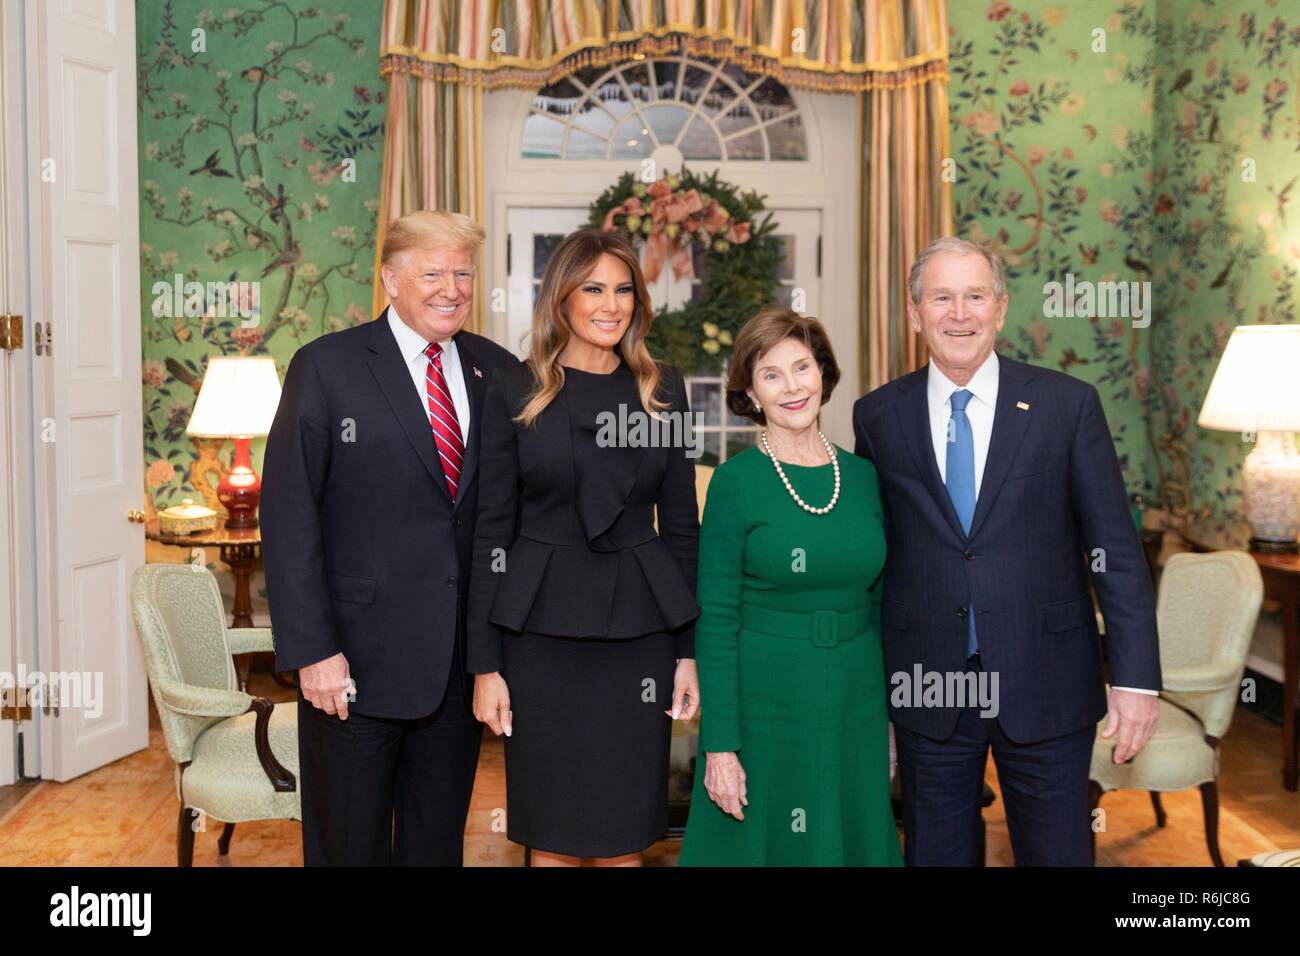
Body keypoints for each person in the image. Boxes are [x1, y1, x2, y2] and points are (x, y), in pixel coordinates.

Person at [852, 236, 1161, 866]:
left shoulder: (1067, 407)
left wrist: (1135, 680)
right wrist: (871, 694)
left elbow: (1115, 550)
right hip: (928, 687)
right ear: (915, 313)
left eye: (974, 296)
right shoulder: (878, 416)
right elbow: (872, 560)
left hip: (1047, 681)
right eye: (941, 297)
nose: (958, 313)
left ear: (1000, 307)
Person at [261, 209, 518, 865]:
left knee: (436, 850)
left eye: (463, 273)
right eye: (432, 271)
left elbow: (508, 511)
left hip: (456, 671)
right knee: (350, 848)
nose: (451, 288)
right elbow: (289, 518)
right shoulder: (325, 367)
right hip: (351, 668)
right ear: (390, 278)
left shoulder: (498, 370)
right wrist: (313, 651)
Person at [467, 228, 701, 866]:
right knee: (553, 836)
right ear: (562, 297)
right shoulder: (515, 391)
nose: (611, 304)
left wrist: (688, 654)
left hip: (640, 637)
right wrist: (485, 666)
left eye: (624, 289)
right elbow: (492, 533)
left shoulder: (664, 392)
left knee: (626, 835)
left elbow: (682, 528)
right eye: (593, 288)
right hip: (539, 639)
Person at [679, 308, 903, 866]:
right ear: (751, 393)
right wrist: (720, 745)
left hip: (857, 698)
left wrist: (893, 719)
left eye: (802, 367)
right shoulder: (735, 484)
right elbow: (717, 620)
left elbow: (881, 604)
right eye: (771, 375)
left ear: (823, 373)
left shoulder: (865, 477)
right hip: (764, 704)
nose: (792, 387)